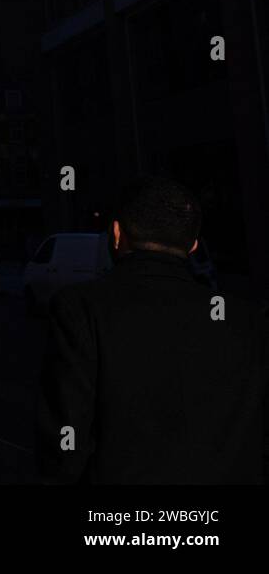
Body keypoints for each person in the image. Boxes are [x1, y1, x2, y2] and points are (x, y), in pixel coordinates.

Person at [37, 176, 269, 484]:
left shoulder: (81, 309)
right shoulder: (248, 320)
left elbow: (66, 439)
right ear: (193, 244)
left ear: (117, 234)